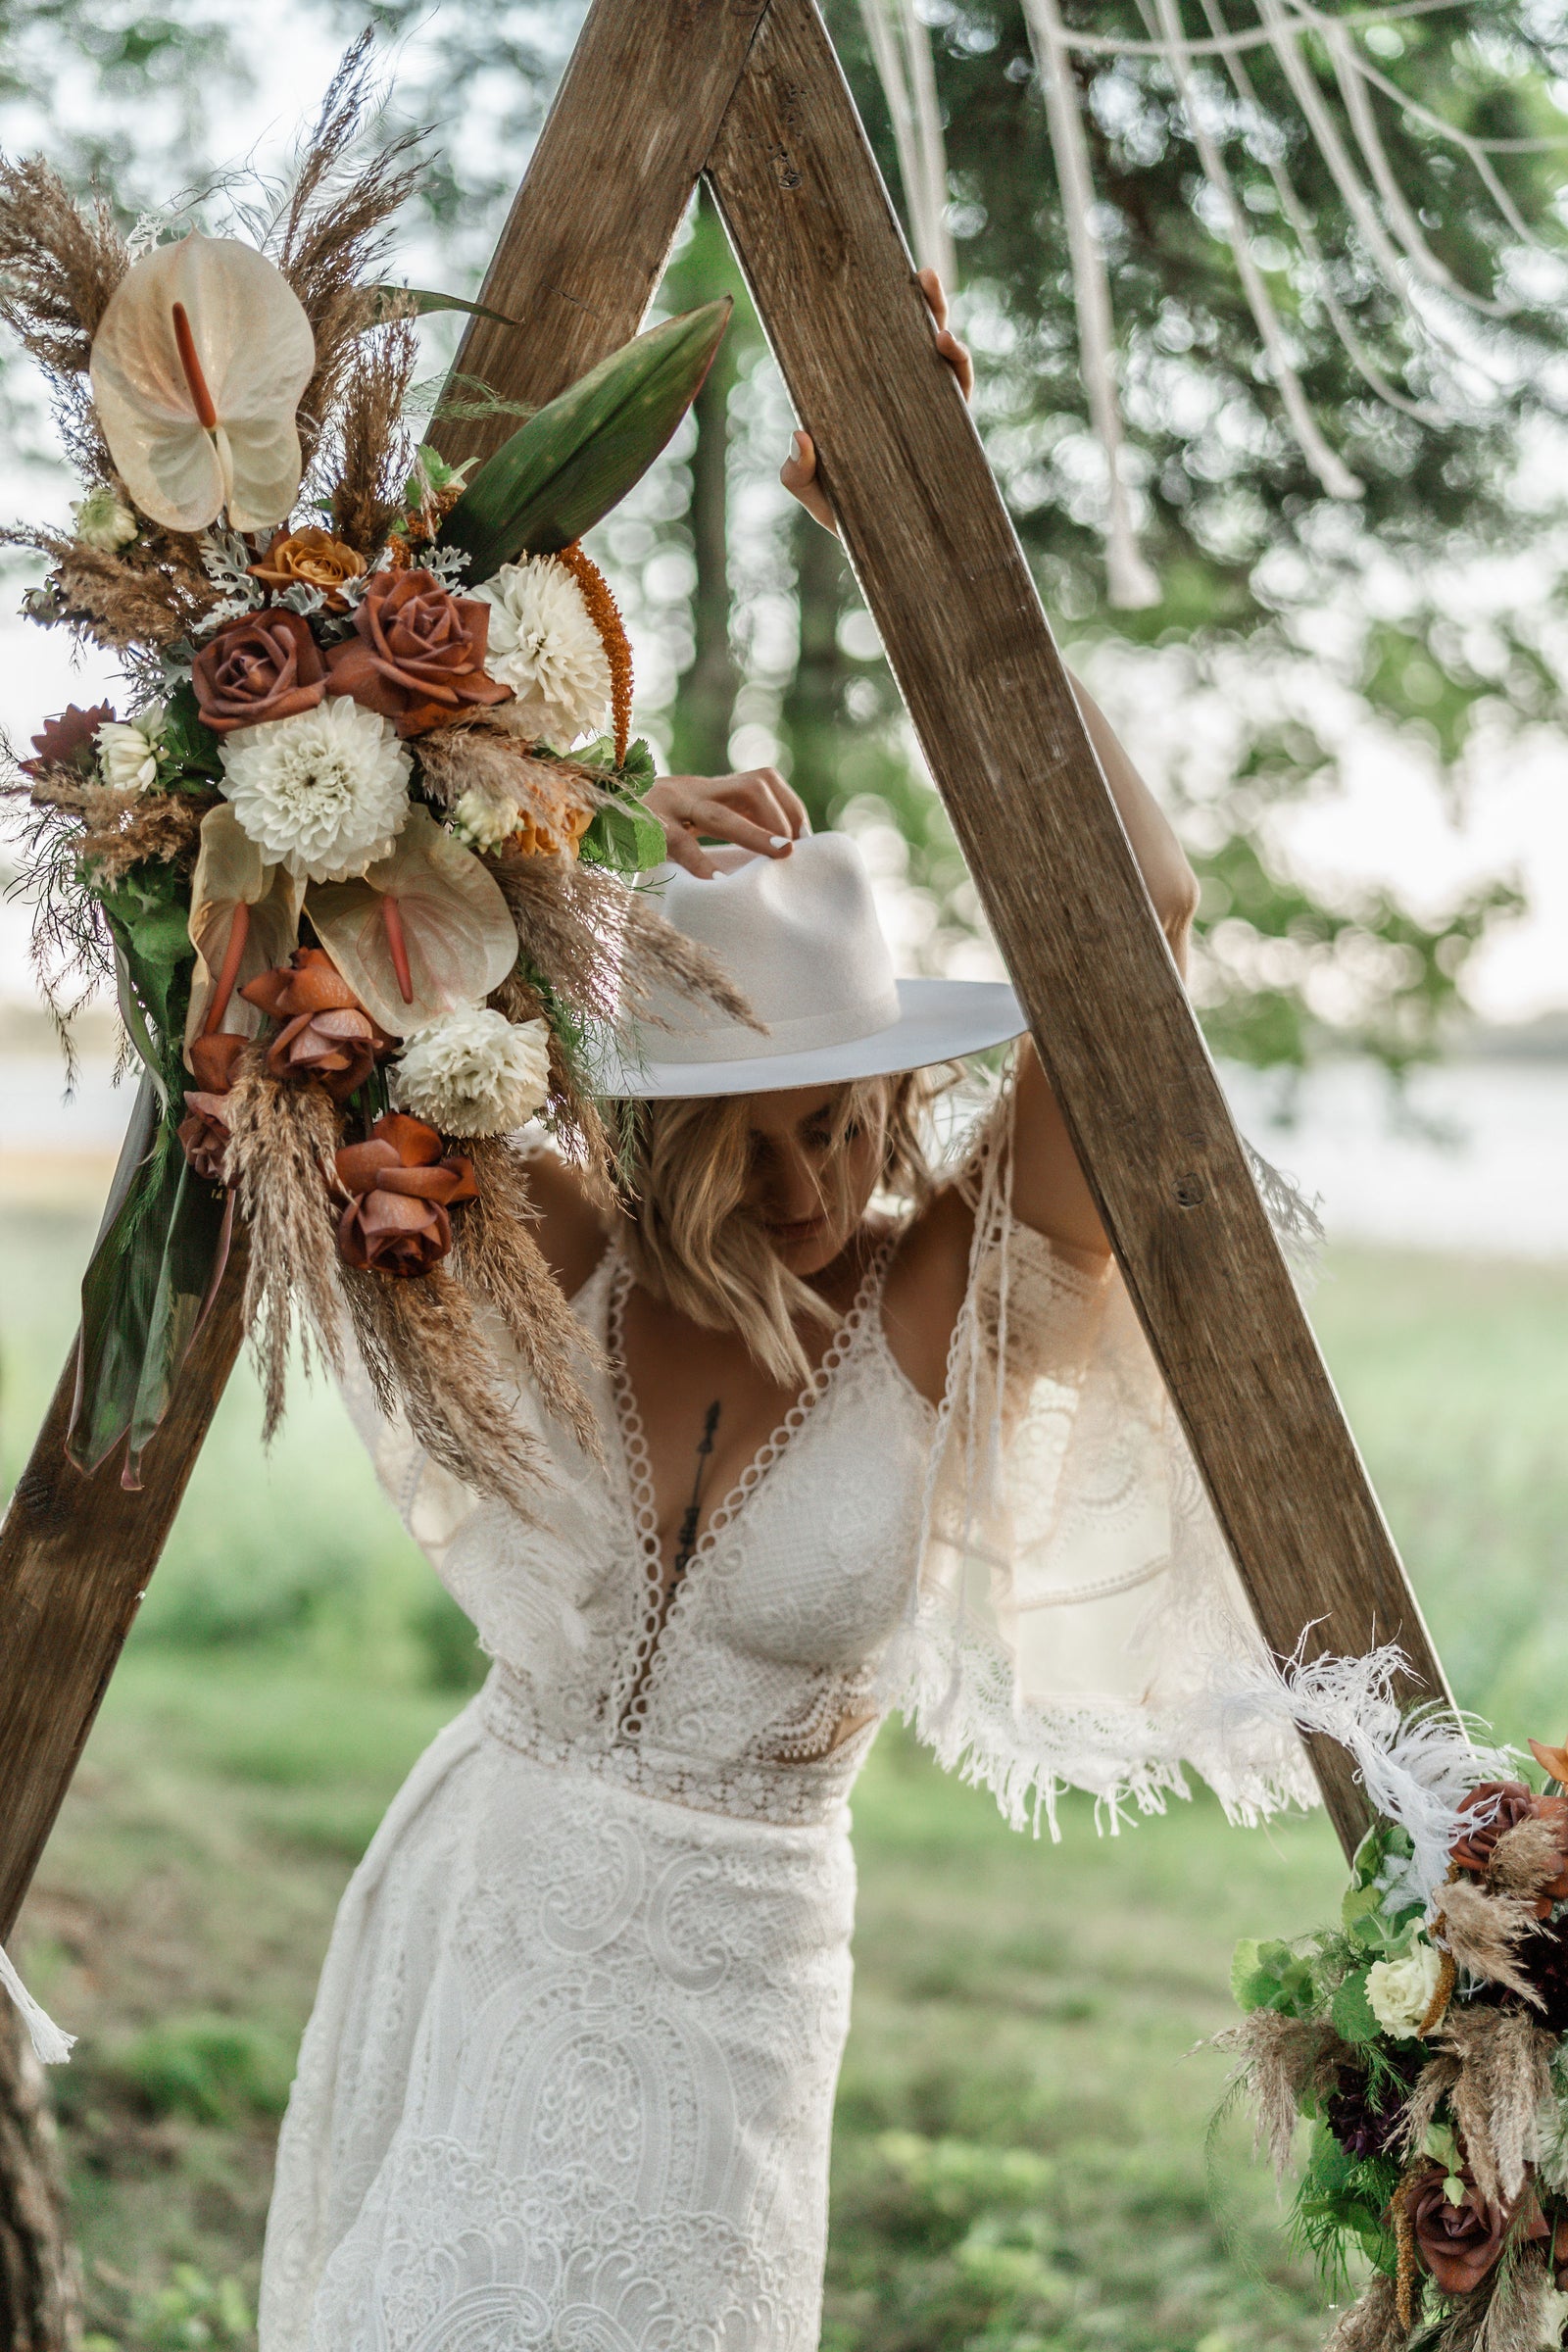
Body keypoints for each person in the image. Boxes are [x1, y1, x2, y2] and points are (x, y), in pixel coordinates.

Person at [258, 280, 1310, 2352]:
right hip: (477, 1940)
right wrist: (606, 823)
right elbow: (296, 889)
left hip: (720, 2031)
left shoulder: (939, 1290)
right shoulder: (525, 1231)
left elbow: (1146, 923)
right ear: (654, 1132)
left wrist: (931, 535)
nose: (833, 1179)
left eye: (857, 1116)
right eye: (770, 1138)